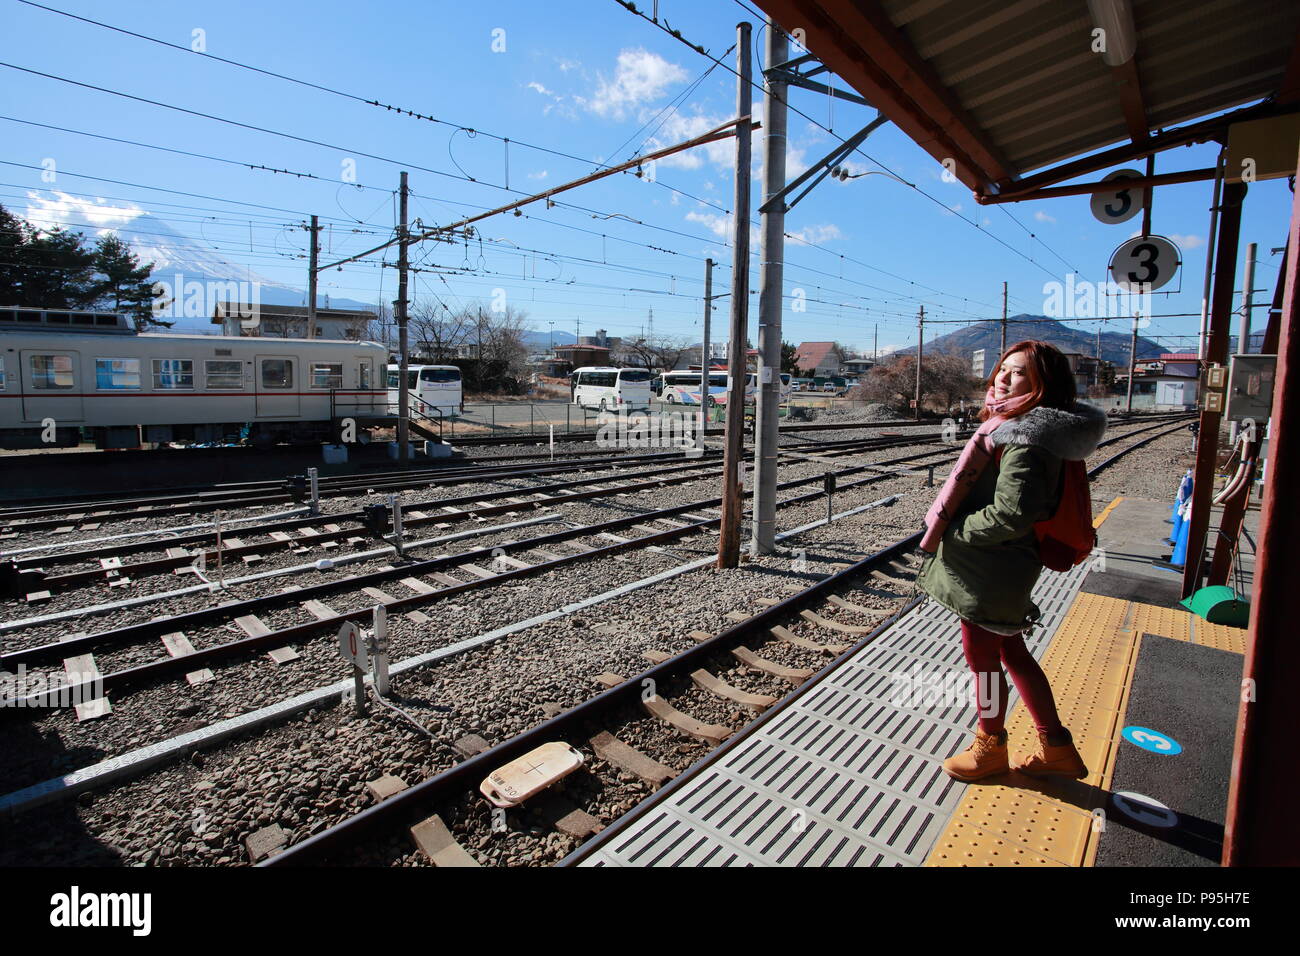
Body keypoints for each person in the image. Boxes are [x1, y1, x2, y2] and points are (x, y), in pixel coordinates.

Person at [916, 341, 1107, 782]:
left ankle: (990, 748)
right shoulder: (1025, 428)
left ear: (1043, 384)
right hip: (1004, 566)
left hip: (992, 569)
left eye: (1018, 372)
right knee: (1013, 653)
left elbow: (1012, 514)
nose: (1003, 377)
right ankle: (1057, 748)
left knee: (982, 661)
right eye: (1003, 368)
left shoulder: (1026, 438)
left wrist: (957, 529)